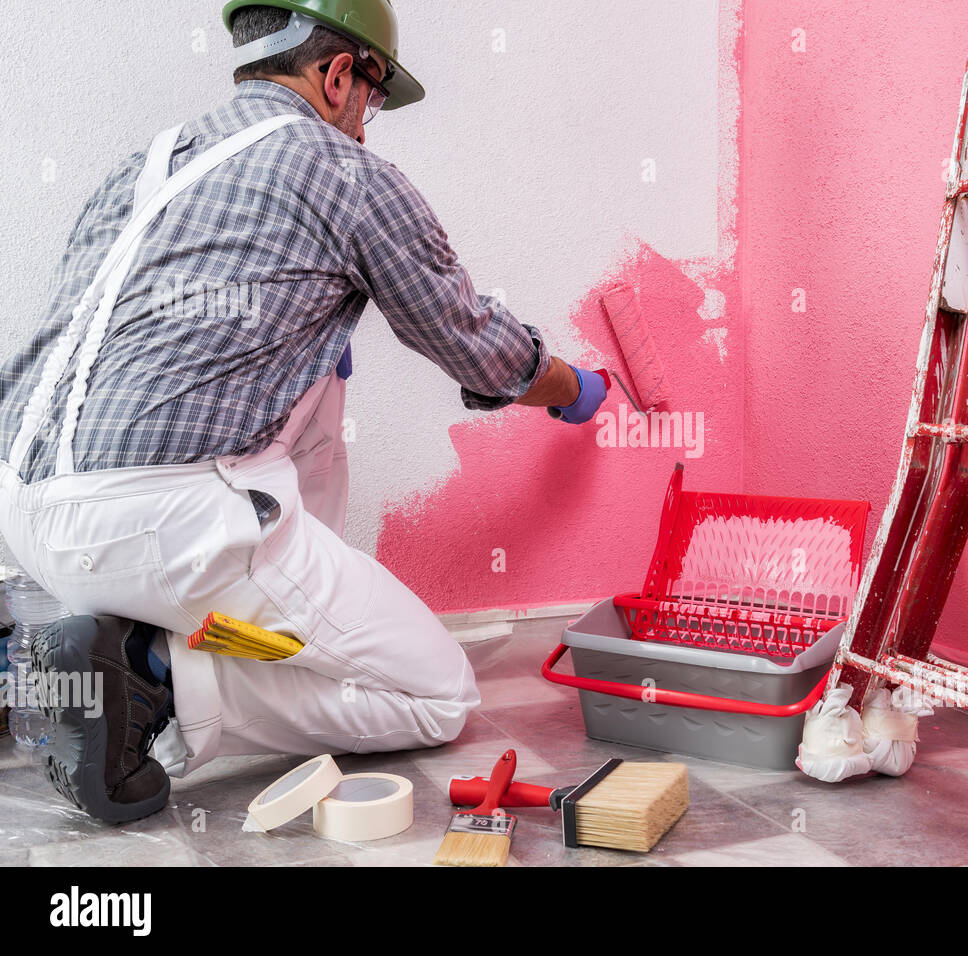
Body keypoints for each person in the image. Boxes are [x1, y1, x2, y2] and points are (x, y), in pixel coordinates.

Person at [0, 0, 608, 823]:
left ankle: (68, 648)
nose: (370, 122)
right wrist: (570, 388)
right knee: (437, 694)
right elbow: (470, 341)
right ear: (336, 75)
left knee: (326, 369)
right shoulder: (342, 171)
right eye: (377, 97)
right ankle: (151, 676)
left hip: (26, 511)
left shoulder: (144, 163)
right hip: (158, 523)